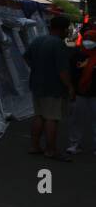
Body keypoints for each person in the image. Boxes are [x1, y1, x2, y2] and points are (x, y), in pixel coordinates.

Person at [24, 15, 75, 161]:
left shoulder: (38, 40)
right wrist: (70, 86)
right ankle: (51, 150)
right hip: (53, 88)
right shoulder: (59, 44)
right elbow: (63, 71)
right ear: (64, 29)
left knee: (39, 115)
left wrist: (37, 68)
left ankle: (34, 146)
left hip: (36, 84)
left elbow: (26, 57)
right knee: (52, 118)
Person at [66, 27, 96, 155]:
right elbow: (71, 73)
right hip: (80, 93)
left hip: (95, 94)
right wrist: (71, 89)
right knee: (76, 120)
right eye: (86, 39)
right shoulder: (77, 55)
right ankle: (74, 144)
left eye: (91, 39)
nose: (88, 42)